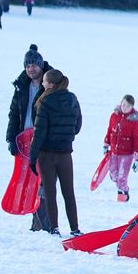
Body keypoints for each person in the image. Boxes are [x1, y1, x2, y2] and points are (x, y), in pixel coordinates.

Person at [27, 68, 82, 236]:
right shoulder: (72, 99)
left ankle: (54, 228)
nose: (42, 83)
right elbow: (78, 126)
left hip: (47, 155)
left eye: (44, 81)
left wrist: (32, 156)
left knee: (50, 193)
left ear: (50, 84)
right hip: (66, 153)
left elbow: (39, 132)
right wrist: (67, 136)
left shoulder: (44, 102)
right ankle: (75, 229)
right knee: (69, 192)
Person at [7, 45, 51, 229]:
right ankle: (37, 223)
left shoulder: (50, 84)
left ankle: (44, 224)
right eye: (28, 66)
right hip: (24, 140)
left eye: (34, 65)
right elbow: (13, 113)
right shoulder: (21, 86)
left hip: (42, 139)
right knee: (28, 180)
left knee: (43, 181)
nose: (31, 68)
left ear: (41, 66)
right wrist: (11, 138)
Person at [103, 94, 138, 202]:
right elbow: (110, 131)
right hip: (114, 152)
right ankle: (123, 188)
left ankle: (122, 197)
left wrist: (137, 156)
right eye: (124, 105)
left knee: (122, 177)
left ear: (132, 107)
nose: (125, 108)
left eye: (128, 106)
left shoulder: (134, 121)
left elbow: (137, 138)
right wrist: (106, 143)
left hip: (127, 154)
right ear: (121, 103)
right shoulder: (114, 116)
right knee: (113, 175)